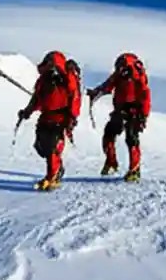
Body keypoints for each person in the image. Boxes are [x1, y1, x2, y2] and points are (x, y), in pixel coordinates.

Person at [18, 51, 81, 191]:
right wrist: (27, 111)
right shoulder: (43, 80)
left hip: (61, 117)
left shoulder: (67, 78)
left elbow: (74, 96)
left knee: (52, 146)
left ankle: (51, 177)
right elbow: (37, 99)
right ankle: (57, 168)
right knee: (41, 146)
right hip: (45, 116)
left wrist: (72, 117)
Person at [88, 52, 151, 182]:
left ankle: (124, 167)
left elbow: (107, 87)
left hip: (130, 111)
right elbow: (107, 86)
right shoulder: (129, 75)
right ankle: (124, 167)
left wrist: (143, 115)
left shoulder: (129, 75)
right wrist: (144, 115)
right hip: (128, 111)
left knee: (126, 137)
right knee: (122, 137)